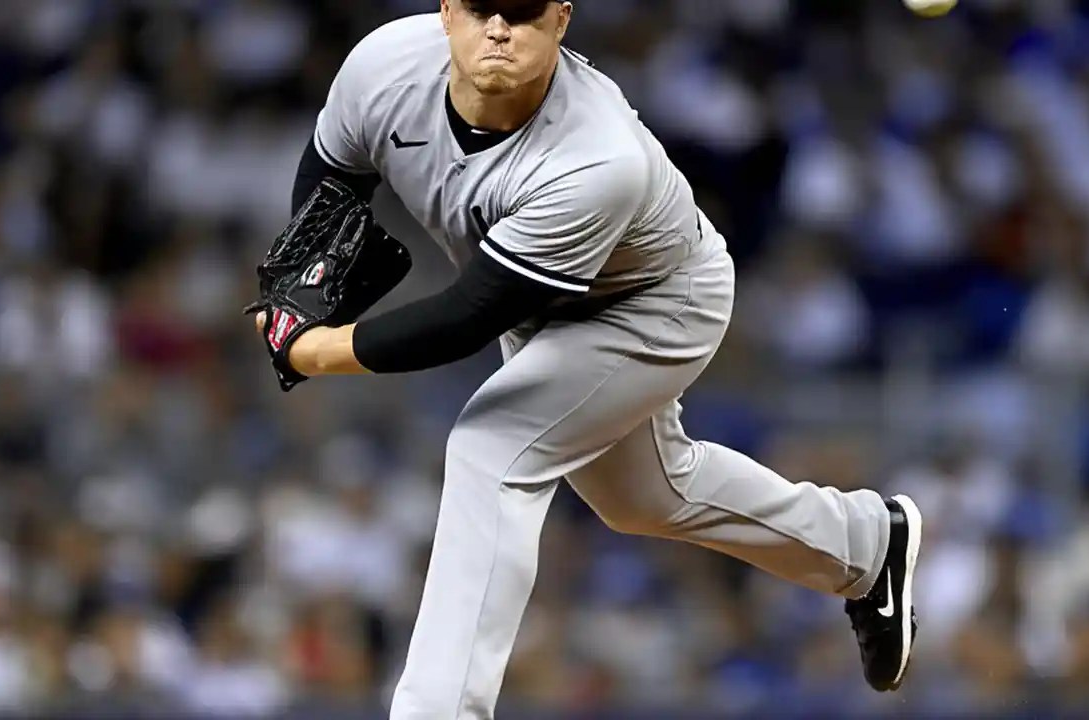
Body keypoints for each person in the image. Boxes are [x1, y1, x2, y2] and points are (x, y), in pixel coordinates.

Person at [255, 2, 923, 717]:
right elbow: (334, 177)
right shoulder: (385, 64)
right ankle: (863, 544)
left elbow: (467, 318)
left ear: (562, 19)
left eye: (524, 11)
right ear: (448, 11)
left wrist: (321, 349)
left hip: (653, 301)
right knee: (644, 497)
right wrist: (308, 289)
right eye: (482, 7)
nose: (500, 28)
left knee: (494, 444)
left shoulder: (598, 154)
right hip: (542, 301)